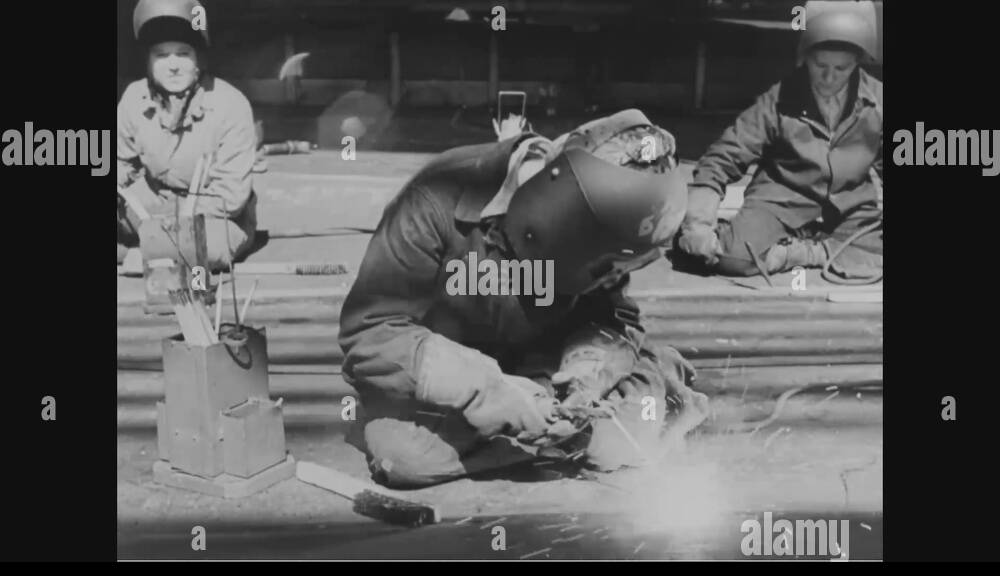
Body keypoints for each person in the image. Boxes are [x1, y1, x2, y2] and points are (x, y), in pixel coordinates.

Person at [339, 109, 710, 489]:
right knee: (403, 457)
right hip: (449, 386)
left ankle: (575, 422)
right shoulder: (436, 197)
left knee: (616, 438)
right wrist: (486, 390)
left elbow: (615, 319)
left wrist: (588, 369)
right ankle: (570, 437)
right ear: (558, 215)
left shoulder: (604, 219)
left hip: (542, 370)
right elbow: (370, 335)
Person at [676, 8, 883, 282]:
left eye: (841, 68)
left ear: (858, 63)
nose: (829, 78)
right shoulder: (778, 98)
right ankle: (824, 249)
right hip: (781, 202)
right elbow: (725, 154)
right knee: (734, 257)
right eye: (820, 66)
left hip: (850, 208)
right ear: (805, 58)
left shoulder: (878, 100)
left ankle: (803, 252)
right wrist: (698, 222)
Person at [117, 0, 258, 271]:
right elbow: (122, 164)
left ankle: (145, 254)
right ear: (148, 61)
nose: (173, 65)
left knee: (207, 249)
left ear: (199, 60)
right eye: (161, 55)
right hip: (151, 205)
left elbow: (231, 196)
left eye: (183, 54)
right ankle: (154, 253)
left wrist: (166, 227)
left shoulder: (231, 104)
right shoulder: (134, 97)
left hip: (215, 218)